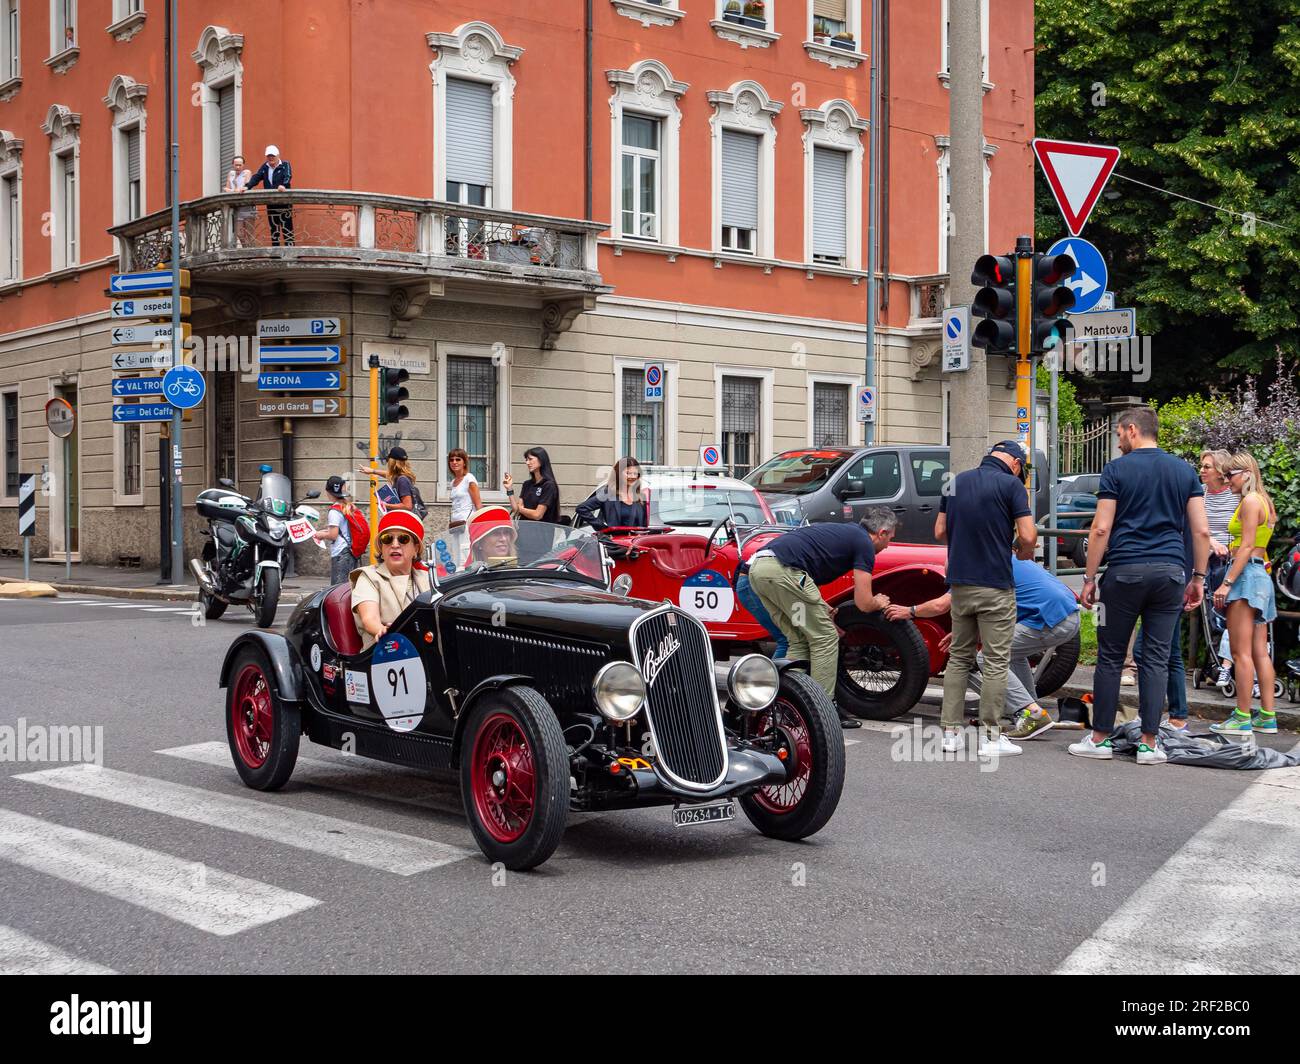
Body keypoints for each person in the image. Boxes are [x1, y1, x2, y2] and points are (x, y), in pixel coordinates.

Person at [1073, 407, 1209, 765]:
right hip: (1170, 574)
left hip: (1125, 573)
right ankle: (1149, 743)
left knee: (1111, 656)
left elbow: (1101, 528)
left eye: (1118, 435)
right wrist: (1198, 578)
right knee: (1157, 658)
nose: (1118, 443)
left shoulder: (1117, 470)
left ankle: (1100, 738)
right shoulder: (1184, 470)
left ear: (1132, 430)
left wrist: (1088, 578)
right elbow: (1201, 531)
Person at [886, 556, 1080, 741]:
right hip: (1069, 616)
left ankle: (1032, 714)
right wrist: (964, 633)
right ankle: (1029, 708)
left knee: (987, 657)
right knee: (1011, 655)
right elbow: (997, 608)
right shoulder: (997, 558)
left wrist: (909, 611)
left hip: (1051, 621)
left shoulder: (971, 571)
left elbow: (940, 606)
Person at [747, 507, 897, 729]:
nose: (888, 546)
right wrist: (880, 601)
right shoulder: (864, 543)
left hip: (759, 570)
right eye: (890, 539)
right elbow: (864, 603)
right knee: (825, 638)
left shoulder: (845, 533)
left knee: (799, 640)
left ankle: (791, 708)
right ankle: (823, 711)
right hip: (783, 572)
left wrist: (820, 607)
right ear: (882, 532)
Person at [935, 441, 1038, 758]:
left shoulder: (954, 481)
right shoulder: (1011, 486)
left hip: (961, 585)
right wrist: (1022, 550)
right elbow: (1029, 536)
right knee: (995, 661)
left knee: (959, 658)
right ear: (1016, 464)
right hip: (995, 586)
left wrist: (966, 540)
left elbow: (939, 531)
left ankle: (950, 734)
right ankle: (991, 737)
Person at [1210, 450, 1279, 735]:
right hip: (1260, 576)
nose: (1227, 480)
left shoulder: (1250, 501)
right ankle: (1267, 715)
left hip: (1246, 576)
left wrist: (1227, 583)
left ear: (1247, 474)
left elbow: (1247, 544)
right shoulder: (1264, 501)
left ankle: (1241, 716)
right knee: (1259, 651)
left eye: (1231, 475)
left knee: (1240, 652)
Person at [350, 509, 432, 650]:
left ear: (416, 549)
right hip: (383, 656)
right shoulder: (368, 576)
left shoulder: (427, 577)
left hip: (425, 652)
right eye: (387, 539)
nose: (394, 544)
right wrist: (382, 630)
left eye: (403, 539)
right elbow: (370, 619)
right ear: (381, 548)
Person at [1198, 449, 1240, 688]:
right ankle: (1217, 663)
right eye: (1202, 466)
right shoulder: (1201, 495)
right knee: (1213, 613)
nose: (1202, 471)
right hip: (1207, 557)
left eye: (1207, 467)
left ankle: (1228, 664)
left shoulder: (1235, 496)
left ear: (1221, 471)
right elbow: (1195, 527)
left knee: (1229, 612)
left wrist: (1229, 546)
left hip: (1229, 560)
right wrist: (1212, 542)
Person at [575, 456, 648, 530]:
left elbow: (645, 526)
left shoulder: (641, 497)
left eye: (635, 473)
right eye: (628, 473)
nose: (633, 476)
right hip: (613, 540)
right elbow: (581, 508)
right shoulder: (608, 494)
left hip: (635, 541)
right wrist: (602, 528)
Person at [314, 475, 361, 584]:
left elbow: (333, 535)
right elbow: (342, 530)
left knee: (337, 591)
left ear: (328, 491)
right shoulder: (347, 506)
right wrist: (324, 532)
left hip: (341, 553)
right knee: (348, 588)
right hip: (350, 552)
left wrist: (321, 535)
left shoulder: (335, 511)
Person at [246, 145, 294, 246]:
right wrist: (247, 187)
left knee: (287, 227)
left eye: (272, 156)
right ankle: (276, 253)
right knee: (274, 228)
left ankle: (290, 251)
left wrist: (284, 185)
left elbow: (288, 176)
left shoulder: (285, 164)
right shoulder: (265, 166)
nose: (270, 158)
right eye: (268, 156)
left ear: (277, 155)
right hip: (271, 202)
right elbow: (257, 177)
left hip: (284, 202)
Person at [358, 446, 426, 517]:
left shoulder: (402, 480)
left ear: (392, 462)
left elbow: (407, 506)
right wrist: (372, 471)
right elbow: (389, 475)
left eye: (388, 460)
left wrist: (386, 505)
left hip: (405, 521)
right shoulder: (401, 476)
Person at [504, 447, 560, 524]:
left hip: (542, 533)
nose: (527, 463)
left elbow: (538, 515)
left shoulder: (549, 485)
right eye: (526, 460)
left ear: (541, 460)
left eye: (530, 459)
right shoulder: (527, 484)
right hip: (525, 530)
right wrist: (509, 489)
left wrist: (520, 509)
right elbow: (516, 509)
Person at [225, 154, 257, 247]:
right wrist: (233, 189)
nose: (238, 167)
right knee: (239, 233)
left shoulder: (246, 172)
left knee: (250, 233)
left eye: (240, 165)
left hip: (248, 206)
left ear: (243, 165)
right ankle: (245, 248)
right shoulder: (230, 174)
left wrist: (232, 190)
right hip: (237, 208)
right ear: (232, 165)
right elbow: (226, 188)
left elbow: (244, 188)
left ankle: (252, 252)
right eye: (236, 165)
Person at [447, 448, 482, 529]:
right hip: (455, 523)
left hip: (468, 522)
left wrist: (481, 525)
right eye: (451, 460)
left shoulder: (469, 479)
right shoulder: (452, 482)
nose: (454, 462)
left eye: (458, 459)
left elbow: (478, 504)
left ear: (464, 463)